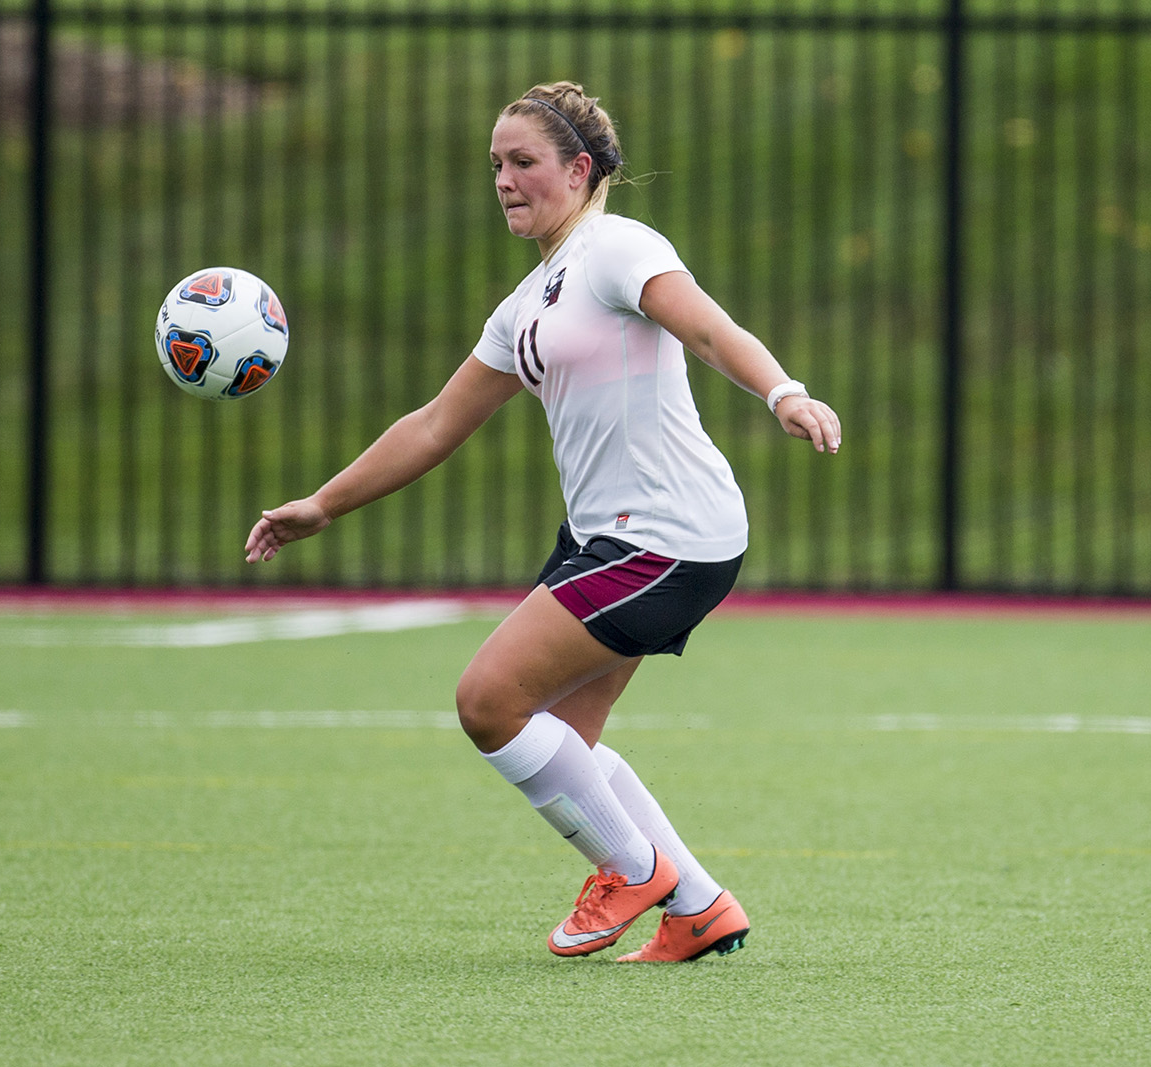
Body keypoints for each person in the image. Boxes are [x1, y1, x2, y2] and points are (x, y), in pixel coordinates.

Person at [245, 81, 841, 962]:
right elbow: (436, 422)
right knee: (565, 739)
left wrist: (783, 391)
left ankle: (635, 870)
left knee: (487, 701)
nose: (504, 179)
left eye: (523, 162)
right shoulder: (529, 302)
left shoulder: (615, 248)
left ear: (581, 169)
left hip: (666, 537)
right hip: (613, 539)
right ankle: (700, 906)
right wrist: (323, 504)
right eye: (496, 164)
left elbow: (711, 331)